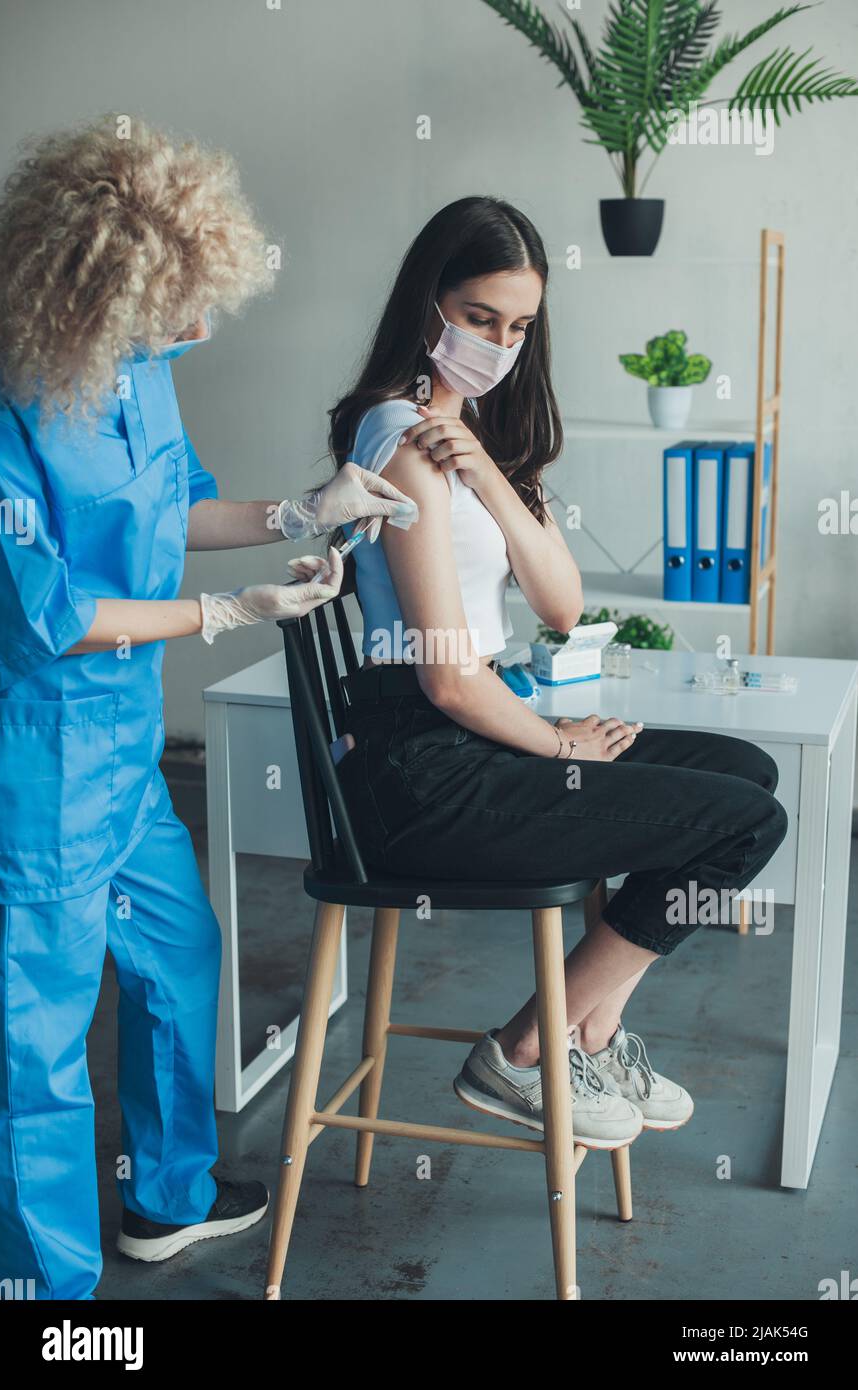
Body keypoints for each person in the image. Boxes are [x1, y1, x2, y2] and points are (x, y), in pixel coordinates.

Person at [0, 118, 416, 1301]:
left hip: (122, 749)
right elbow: (58, 615)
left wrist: (300, 512)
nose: (196, 330)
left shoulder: (131, 369)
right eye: (176, 307)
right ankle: (44, 1299)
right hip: (29, 766)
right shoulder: (4, 409)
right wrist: (229, 618)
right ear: (94, 287)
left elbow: (173, 510)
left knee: (181, 960)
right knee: (35, 1055)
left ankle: (163, 1199)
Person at [329, 196, 789, 1151]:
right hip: (423, 772)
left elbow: (564, 607)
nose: (499, 343)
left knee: (747, 775)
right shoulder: (401, 443)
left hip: (473, 738)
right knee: (748, 822)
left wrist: (491, 476)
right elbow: (448, 683)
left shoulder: (462, 438)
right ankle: (530, 1045)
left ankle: (588, 1027)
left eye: (519, 325)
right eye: (479, 317)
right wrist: (557, 742)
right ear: (429, 306)